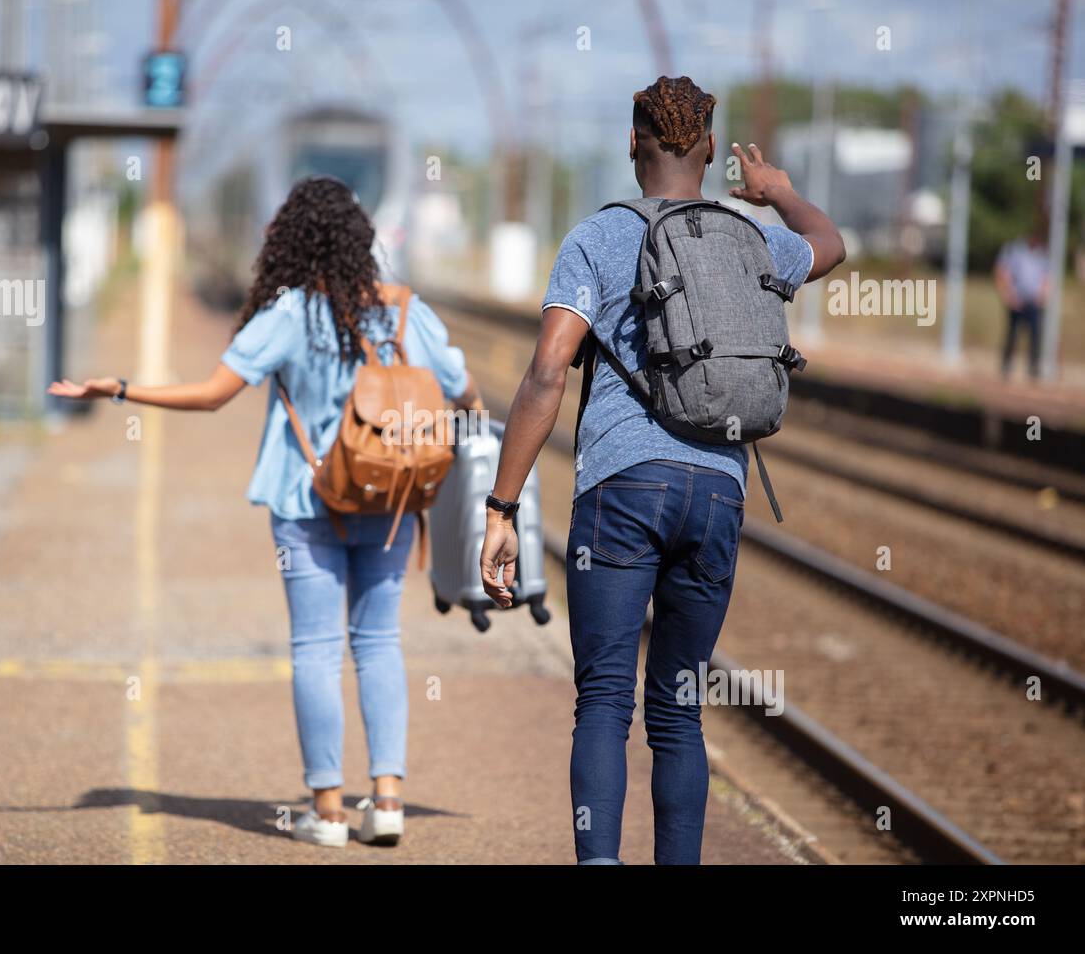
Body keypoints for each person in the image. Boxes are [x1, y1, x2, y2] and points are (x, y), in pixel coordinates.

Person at [50, 176, 481, 849]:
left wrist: (123, 388)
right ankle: (389, 799)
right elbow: (463, 390)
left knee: (315, 648)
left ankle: (329, 812)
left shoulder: (288, 315)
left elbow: (211, 394)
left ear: (291, 241)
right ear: (363, 243)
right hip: (395, 501)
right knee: (378, 643)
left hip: (306, 501)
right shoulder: (405, 313)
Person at [479, 76, 844, 865]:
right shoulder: (753, 238)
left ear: (632, 143)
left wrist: (502, 507)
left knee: (605, 703)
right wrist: (779, 192)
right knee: (680, 710)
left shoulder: (598, 238)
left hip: (622, 488)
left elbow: (548, 371)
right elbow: (832, 245)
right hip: (718, 490)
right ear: (712, 152)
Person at [994, 227, 1050, 379]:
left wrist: (1043, 296)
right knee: (1012, 335)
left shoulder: (1043, 254)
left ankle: (1034, 368)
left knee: (1035, 336)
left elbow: (1046, 277)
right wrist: (1008, 295)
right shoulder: (1014, 250)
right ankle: (1006, 366)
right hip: (1016, 300)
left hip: (1034, 302)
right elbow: (1002, 272)